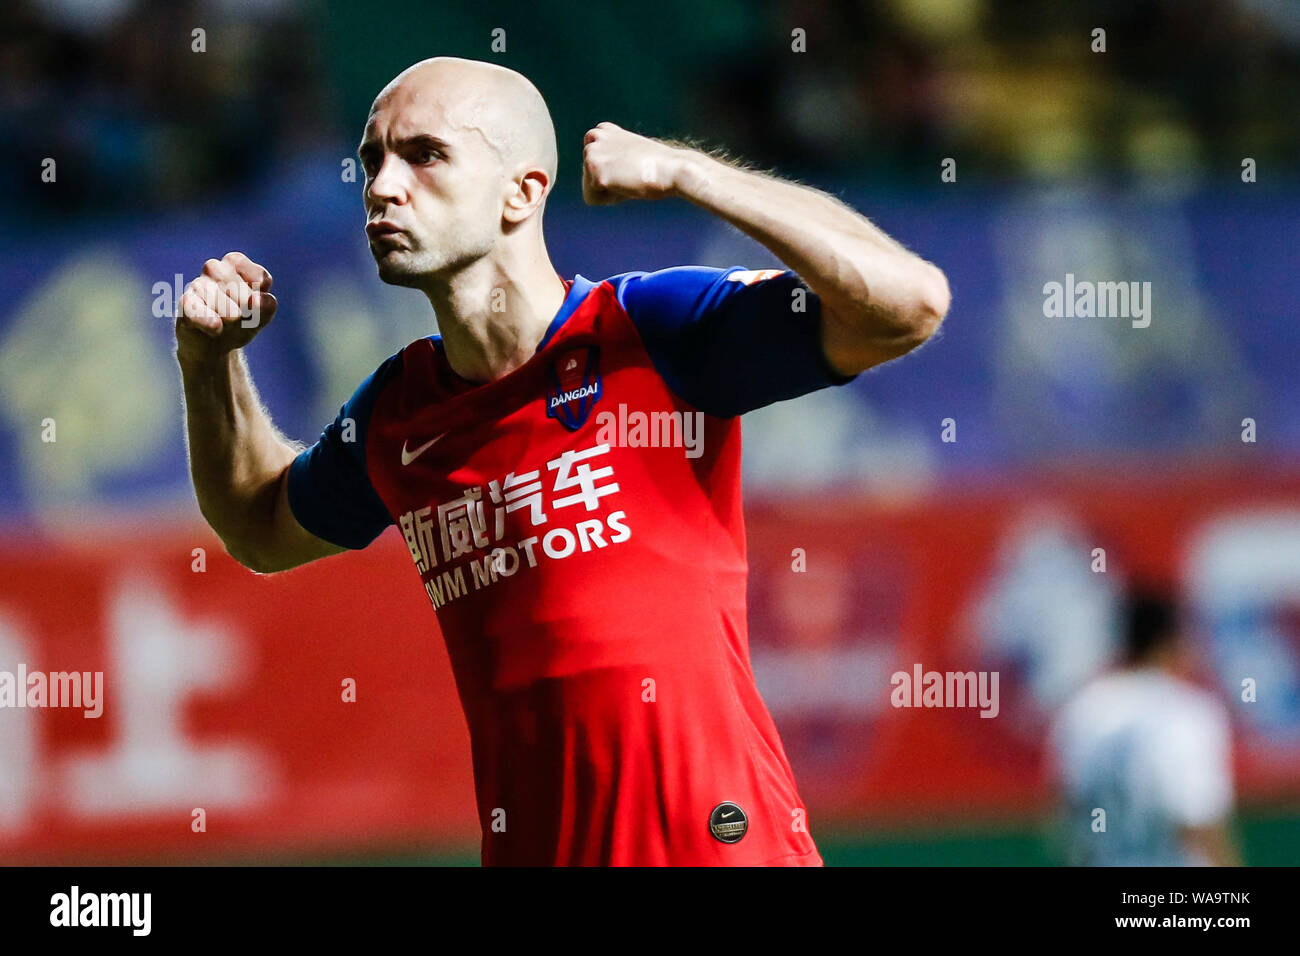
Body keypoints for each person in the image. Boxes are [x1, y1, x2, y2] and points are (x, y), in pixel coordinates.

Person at [175, 56, 949, 865]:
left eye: (425, 155)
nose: (381, 186)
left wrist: (690, 171)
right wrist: (209, 361)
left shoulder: (647, 330)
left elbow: (908, 305)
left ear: (521, 191)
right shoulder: (398, 413)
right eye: (372, 160)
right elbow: (261, 529)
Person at [1049, 590, 1239, 866]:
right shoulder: (1186, 711)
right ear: (1171, 641)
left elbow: (1068, 813)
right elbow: (1196, 818)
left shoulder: (1082, 709)